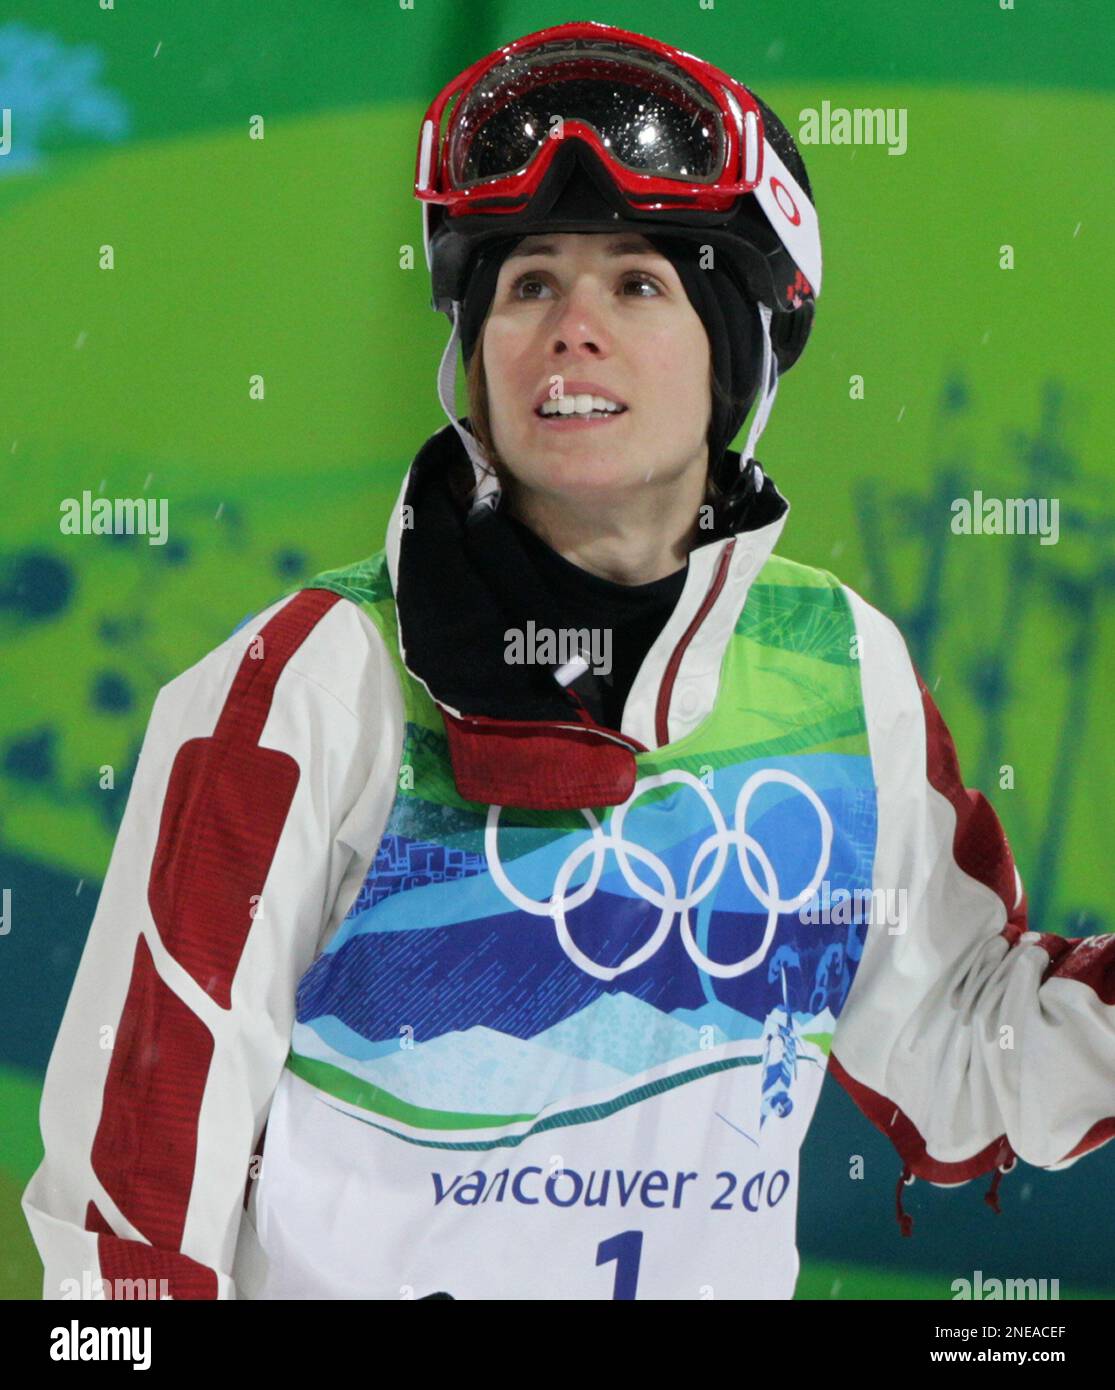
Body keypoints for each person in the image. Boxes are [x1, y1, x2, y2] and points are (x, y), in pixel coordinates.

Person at [23, 21, 1115, 1302]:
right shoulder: (313, 685)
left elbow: (963, 1063)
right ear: (472, 355)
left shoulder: (840, 668)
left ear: (738, 356)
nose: (569, 329)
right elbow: (130, 1224)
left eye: (638, 283)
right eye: (528, 282)